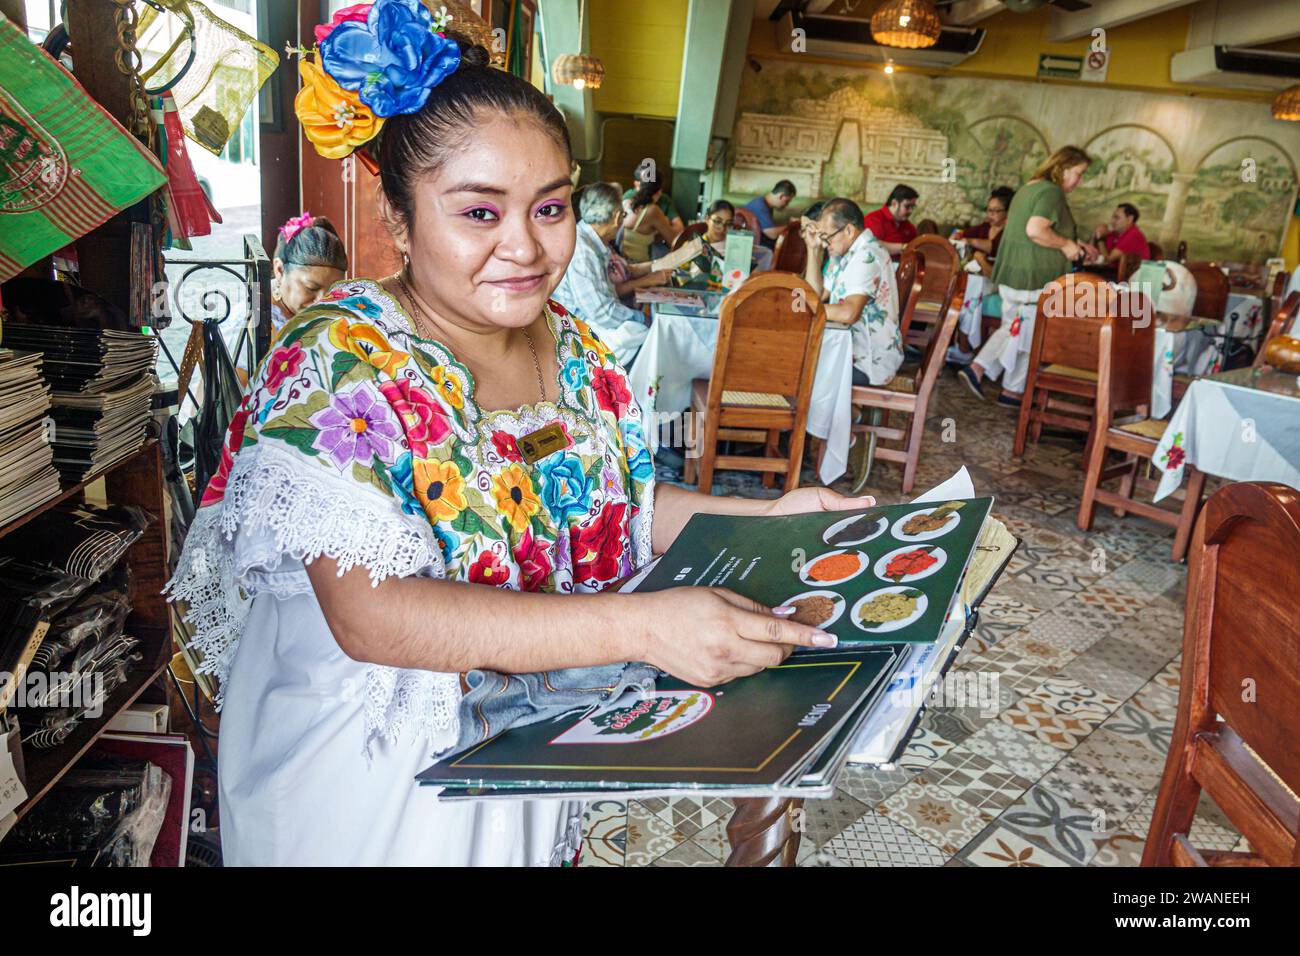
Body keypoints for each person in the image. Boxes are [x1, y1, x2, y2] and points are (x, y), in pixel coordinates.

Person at [168, 16, 873, 867]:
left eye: (550, 207)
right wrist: (642, 628)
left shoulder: (572, 345)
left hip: (522, 748)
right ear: (397, 216)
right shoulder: (339, 359)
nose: (525, 247)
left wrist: (767, 521)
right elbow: (375, 617)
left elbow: (622, 501)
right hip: (373, 778)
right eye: (478, 211)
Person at [958, 146, 1098, 406]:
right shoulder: (1051, 191)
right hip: (1034, 275)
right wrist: (1067, 246)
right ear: (1063, 168)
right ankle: (979, 369)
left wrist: (1075, 244)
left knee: (1022, 328)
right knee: (1027, 329)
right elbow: (1035, 230)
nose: (1080, 181)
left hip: (1015, 272)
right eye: (1079, 173)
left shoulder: (1029, 188)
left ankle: (1010, 391)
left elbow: (1032, 231)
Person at [554, 182, 671, 366]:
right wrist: (643, 319)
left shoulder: (591, 239)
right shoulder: (583, 251)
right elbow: (602, 312)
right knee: (651, 341)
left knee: (645, 334)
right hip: (576, 332)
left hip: (588, 320)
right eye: (623, 216)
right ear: (617, 218)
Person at [237, 213, 348, 384]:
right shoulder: (256, 321)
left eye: (333, 291)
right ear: (279, 269)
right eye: (311, 288)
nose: (322, 301)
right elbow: (230, 399)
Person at [801, 197, 902, 387]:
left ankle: (844, 415)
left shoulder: (867, 254)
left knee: (798, 368)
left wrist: (804, 307)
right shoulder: (843, 252)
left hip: (869, 360)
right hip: (846, 348)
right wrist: (812, 250)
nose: (824, 243)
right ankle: (843, 415)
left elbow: (849, 313)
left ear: (848, 230)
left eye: (827, 237)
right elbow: (816, 295)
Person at [620, 171, 680, 263]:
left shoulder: (626, 202)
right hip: (637, 266)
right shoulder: (653, 211)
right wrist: (666, 222)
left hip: (621, 261)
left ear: (638, 185)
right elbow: (673, 240)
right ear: (659, 191)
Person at [954, 186, 1014, 277]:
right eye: (989, 210)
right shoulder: (985, 227)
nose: (990, 214)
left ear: (1007, 212)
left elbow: (995, 247)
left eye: (995, 211)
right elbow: (962, 233)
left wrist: (977, 254)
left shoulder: (1010, 232)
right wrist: (958, 235)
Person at [863, 184, 919, 255]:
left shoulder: (909, 227)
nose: (911, 211)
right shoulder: (873, 220)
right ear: (894, 203)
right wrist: (902, 247)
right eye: (907, 206)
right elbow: (870, 245)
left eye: (912, 207)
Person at [742, 180, 797, 248]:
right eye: (787, 201)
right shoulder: (760, 206)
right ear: (781, 196)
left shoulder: (765, 204)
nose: (787, 205)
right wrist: (793, 225)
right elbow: (772, 234)